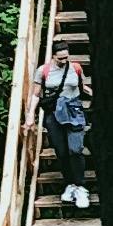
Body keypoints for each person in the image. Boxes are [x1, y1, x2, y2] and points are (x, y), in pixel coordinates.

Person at [38, 50, 91, 211]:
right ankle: (70, 184)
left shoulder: (75, 68)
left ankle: (81, 187)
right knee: (61, 152)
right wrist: (28, 118)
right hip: (54, 113)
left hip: (74, 111)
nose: (64, 60)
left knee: (75, 149)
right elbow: (35, 94)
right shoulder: (43, 71)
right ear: (53, 56)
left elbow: (83, 87)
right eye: (60, 57)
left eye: (66, 57)